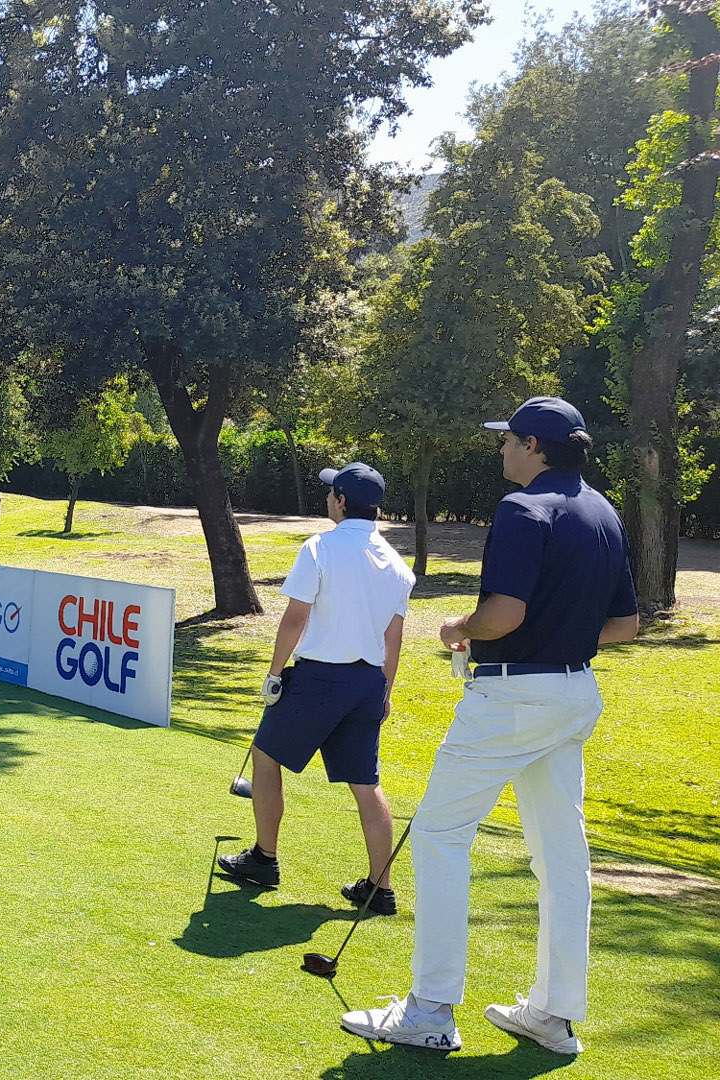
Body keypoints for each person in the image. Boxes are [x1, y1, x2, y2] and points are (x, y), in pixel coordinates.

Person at [343, 397, 639, 1055]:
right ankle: (553, 1014)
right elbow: (625, 626)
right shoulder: (602, 511)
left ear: (533, 446)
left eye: (508, 440)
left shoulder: (520, 508)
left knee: (442, 836)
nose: (501, 449)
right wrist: (557, 627)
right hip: (572, 696)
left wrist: (458, 629)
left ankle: (429, 1010)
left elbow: (501, 615)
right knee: (561, 855)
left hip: (512, 698)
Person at [217, 463, 414, 915]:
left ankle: (264, 859)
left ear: (341, 501)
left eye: (331, 493)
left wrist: (273, 673)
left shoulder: (320, 546)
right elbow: (393, 639)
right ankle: (379, 888)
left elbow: (296, 617)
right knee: (366, 783)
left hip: (320, 677)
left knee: (265, 756)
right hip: (366, 683)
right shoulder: (397, 565)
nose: (328, 499)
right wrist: (384, 692)